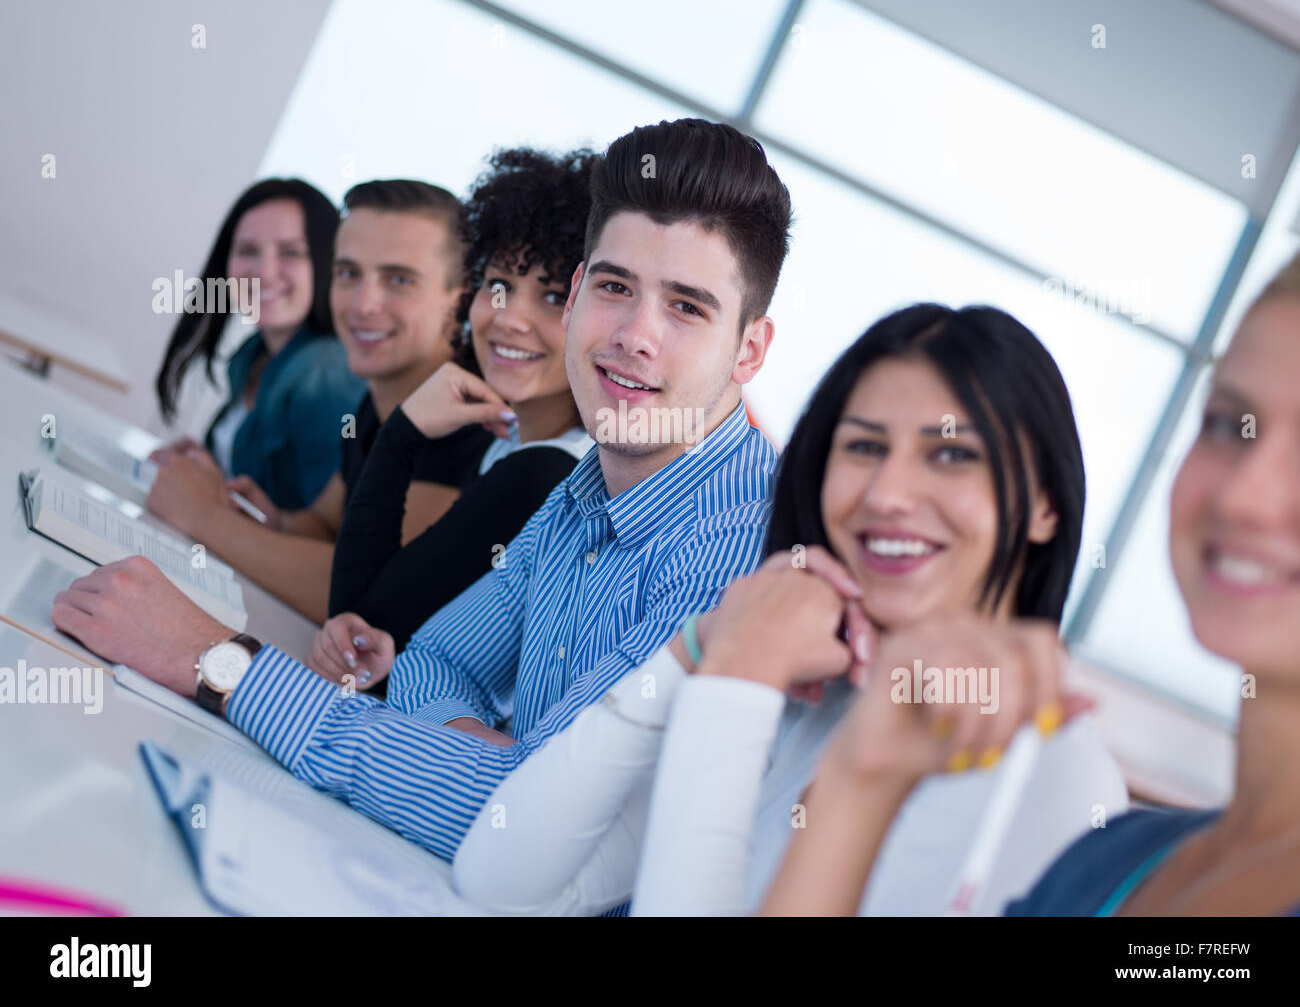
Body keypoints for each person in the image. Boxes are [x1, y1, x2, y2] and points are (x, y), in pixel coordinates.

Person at [49, 119, 791, 887]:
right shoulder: (587, 488)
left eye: (687, 308)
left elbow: (532, 840)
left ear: (750, 349)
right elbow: (430, 663)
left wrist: (219, 661)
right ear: (580, 297)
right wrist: (489, 762)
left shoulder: (738, 559)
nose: (636, 333)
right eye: (615, 288)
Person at [450, 304, 1127, 916]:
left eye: (951, 453)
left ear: (1044, 505)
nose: (888, 493)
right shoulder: (804, 685)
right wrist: (697, 645)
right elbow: (499, 879)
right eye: (863, 446)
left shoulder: (1054, 772)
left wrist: (739, 675)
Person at [760, 255, 1300, 917]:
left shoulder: (1065, 792)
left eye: (952, 453)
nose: (1245, 495)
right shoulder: (1115, 859)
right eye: (1227, 423)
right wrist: (860, 782)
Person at [146, 179, 482, 623]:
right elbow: (326, 527)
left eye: (398, 279)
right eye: (348, 273)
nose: (362, 304)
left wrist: (204, 516)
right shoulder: (380, 395)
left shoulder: (465, 421)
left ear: (460, 302)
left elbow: (370, 597)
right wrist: (260, 516)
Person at [320, 147, 598, 677]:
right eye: (499, 286)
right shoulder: (511, 441)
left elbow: (358, 626)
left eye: (552, 296)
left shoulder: (545, 473)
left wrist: (401, 434)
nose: (509, 318)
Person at [153, 178, 363, 511]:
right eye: (247, 251)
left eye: (291, 252)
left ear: (327, 262)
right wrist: (203, 469)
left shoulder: (327, 375)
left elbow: (325, 542)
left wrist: (214, 502)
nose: (263, 272)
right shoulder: (254, 353)